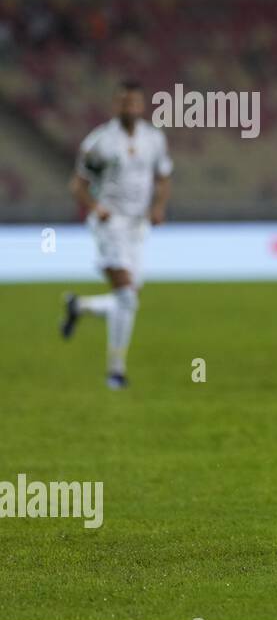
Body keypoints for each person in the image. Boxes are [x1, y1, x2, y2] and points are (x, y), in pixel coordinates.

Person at [61, 79, 172, 389]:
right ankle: (116, 371)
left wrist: (159, 207)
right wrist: (95, 208)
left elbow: (163, 178)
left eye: (134, 102)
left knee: (128, 300)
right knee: (126, 294)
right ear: (116, 106)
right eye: (124, 102)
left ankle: (79, 307)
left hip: (138, 226)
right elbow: (78, 185)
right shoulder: (99, 142)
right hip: (110, 224)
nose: (130, 108)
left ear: (142, 105)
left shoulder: (154, 139)